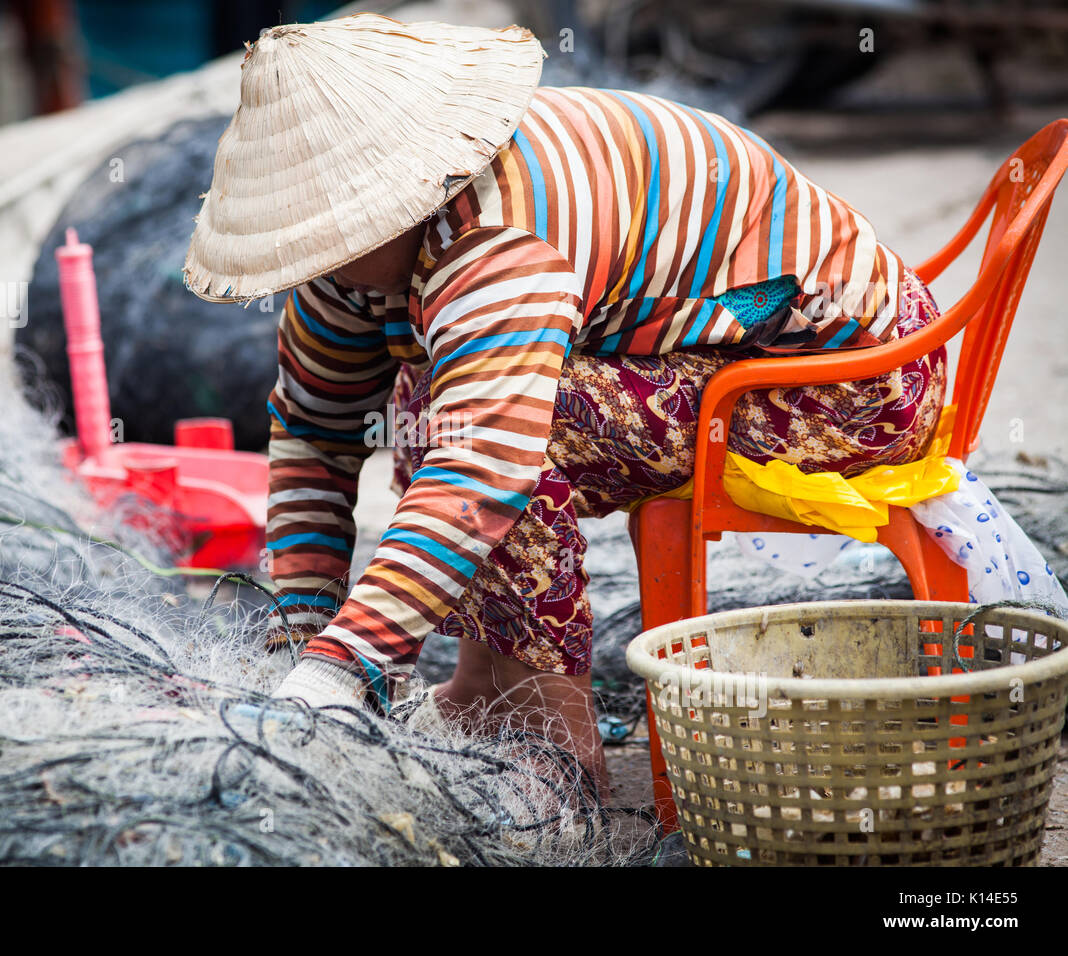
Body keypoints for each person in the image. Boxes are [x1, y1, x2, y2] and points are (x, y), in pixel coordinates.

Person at [184, 14, 947, 800]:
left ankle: (546, 718)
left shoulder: (500, 237)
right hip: (733, 357)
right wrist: (303, 629)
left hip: (853, 385)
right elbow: (314, 432)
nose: (322, 264)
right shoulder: (349, 264)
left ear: (393, 200)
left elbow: (483, 466)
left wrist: (343, 666)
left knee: (488, 424)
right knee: (437, 402)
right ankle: (488, 681)